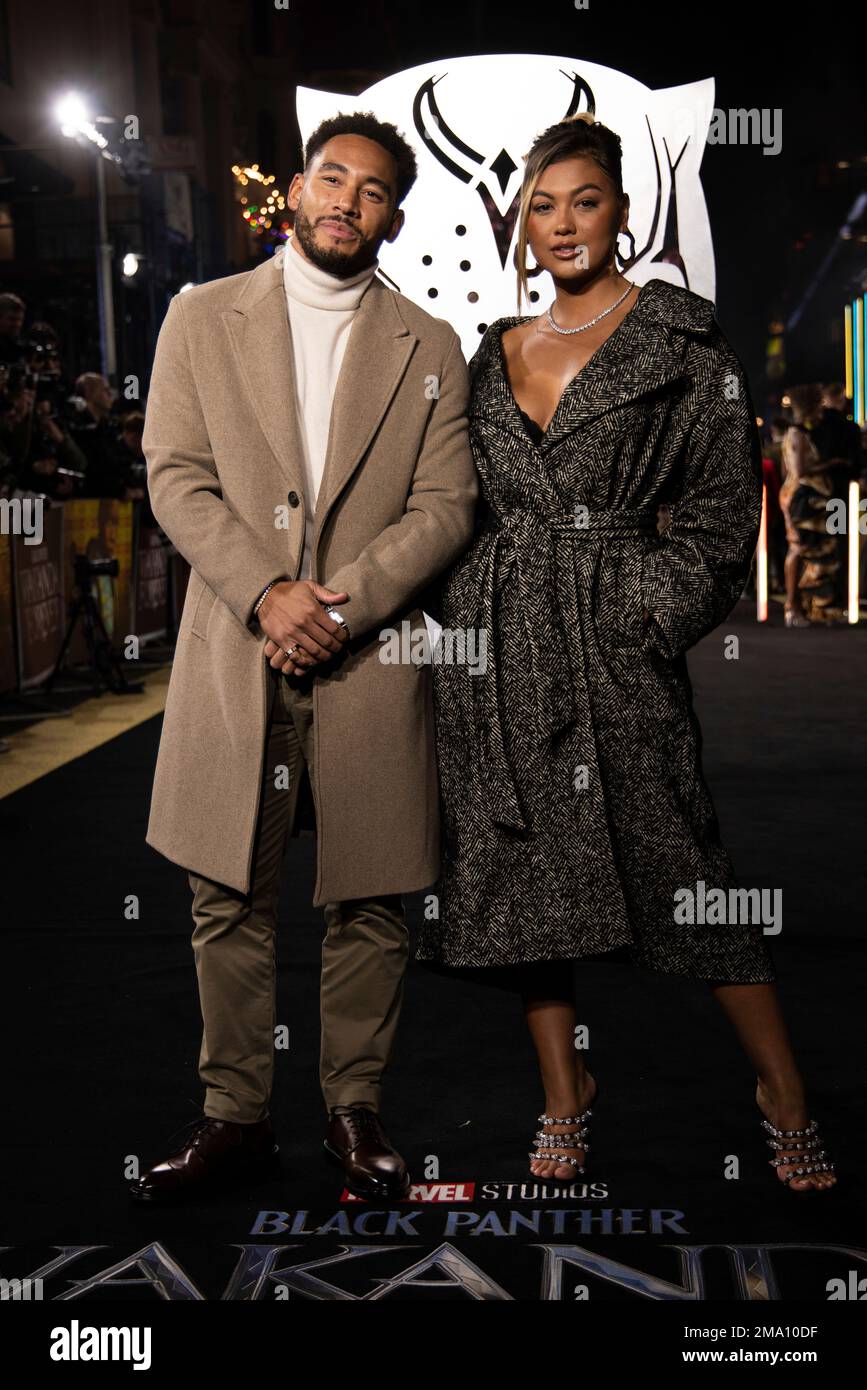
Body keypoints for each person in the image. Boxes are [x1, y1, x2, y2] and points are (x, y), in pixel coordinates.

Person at [417, 113, 836, 1193]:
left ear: (622, 213)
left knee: (684, 862)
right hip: (497, 645)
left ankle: (783, 1093)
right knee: (521, 877)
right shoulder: (488, 349)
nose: (562, 224)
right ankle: (567, 1094)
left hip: (615, 642)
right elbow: (450, 500)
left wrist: (641, 614)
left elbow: (713, 513)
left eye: (584, 201)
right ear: (523, 224)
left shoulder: (684, 343)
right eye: (542, 206)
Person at [132, 111, 478, 1204]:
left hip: (369, 654)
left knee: (373, 896)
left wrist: (344, 604)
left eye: (372, 190)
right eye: (332, 178)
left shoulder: (430, 342)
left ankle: (352, 1110)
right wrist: (266, 593)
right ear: (295, 188)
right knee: (224, 887)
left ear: (396, 216)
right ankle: (232, 1115)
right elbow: (176, 474)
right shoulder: (199, 316)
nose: (347, 200)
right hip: (236, 644)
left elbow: (447, 503)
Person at [779, 384, 840, 626]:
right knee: (799, 548)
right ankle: (792, 607)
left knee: (805, 549)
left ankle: (801, 607)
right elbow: (800, 470)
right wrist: (829, 464)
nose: (821, 413)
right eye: (818, 407)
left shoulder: (797, 434)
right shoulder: (797, 434)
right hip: (800, 498)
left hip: (800, 496)